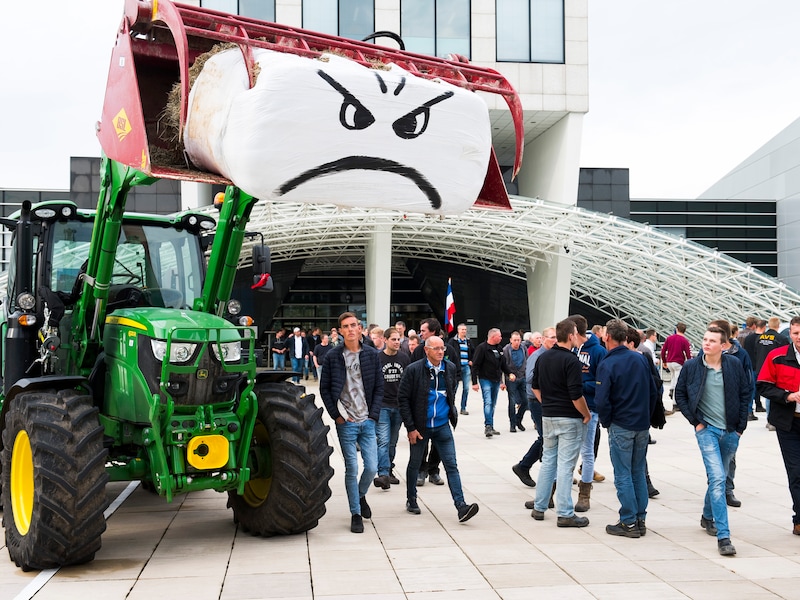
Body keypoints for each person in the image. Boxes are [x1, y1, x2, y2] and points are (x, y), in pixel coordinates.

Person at [675, 325, 751, 556]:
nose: (706, 343)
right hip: (706, 430)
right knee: (718, 477)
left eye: (712, 340)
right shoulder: (691, 366)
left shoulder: (734, 365)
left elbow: (746, 393)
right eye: (705, 339)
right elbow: (680, 394)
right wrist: (696, 423)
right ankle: (724, 536)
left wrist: (739, 429)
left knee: (718, 477)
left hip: (730, 431)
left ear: (723, 345)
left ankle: (708, 516)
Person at [398, 335, 479, 522]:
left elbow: (450, 392)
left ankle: (461, 506)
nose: (441, 352)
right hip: (420, 427)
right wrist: (410, 427)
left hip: (442, 426)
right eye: (436, 348)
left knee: (452, 465)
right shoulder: (413, 370)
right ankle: (411, 499)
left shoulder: (449, 368)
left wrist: (451, 413)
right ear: (426, 350)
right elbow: (403, 399)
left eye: (443, 348)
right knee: (415, 463)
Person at [320, 312, 384, 534]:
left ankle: (361, 494)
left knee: (373, 467)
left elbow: (379, 387)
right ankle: (355, 513)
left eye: (353, 325)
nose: (350, 329)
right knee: (352, 468)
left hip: (367, 420)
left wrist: (373, 415)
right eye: (345, 326)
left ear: (360, 328)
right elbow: (325, 389)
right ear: (340, 330)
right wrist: (336, 416)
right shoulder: (332, 356)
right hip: (345, 421)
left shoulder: (372, 355)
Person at [595, 319, 658, 538]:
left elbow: (602, 399)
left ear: (607, 337)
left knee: (623, 474)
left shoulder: (607, 363)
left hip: (621, 424)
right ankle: (640, 519)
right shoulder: (639, 359)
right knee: (638, 472)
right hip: (641, 425)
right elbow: (653, 390)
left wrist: (607, 421)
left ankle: (629, 521)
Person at [529, 319, 591, 527]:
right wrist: (586, 413)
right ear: (571, 336)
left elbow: (535, 386)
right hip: (569, 417)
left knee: (548, 461)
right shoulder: (572, 361)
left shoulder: (543, 357)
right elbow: (575, 394)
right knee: (565, 465)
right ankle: (565, 512)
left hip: (548, 416)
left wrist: (547, 402)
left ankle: (540, 506)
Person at [756, 316, 800, 536]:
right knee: (796, 472)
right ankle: (799, 518)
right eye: (796, 333)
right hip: (789, 424)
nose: (799, 338)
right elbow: (763, 386)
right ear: (789, 334)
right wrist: (788, 396)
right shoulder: (777, 356)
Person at [571, 313, 607, 512]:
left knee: (587, 450)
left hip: (590, 408)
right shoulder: (572, 348)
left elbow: (601, 382)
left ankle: (585, 493)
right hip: (569, 408)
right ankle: (554, 490)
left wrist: (579, 386)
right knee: (566, 452)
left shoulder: (598, 352)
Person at [513, 327, 557, 490]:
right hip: (537, 400)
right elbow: (530, 377)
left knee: (545, 437)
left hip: (545, 400)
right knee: (545, 437)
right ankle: (524, 466)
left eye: (556, 338)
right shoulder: (537, 356)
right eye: (551, 337)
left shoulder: (550, 355)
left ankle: (525, 466)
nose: (554, 340)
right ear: (543, 339)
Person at [373, 327, 410, 489]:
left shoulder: (404, 358)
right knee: (383, 440)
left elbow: (409, 381)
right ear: (385, 340)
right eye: (393, 339)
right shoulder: (377, 358)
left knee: (392, 442)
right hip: (382, 406)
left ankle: (388, 469)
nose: (396, 342)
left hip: (399, 406)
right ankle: (383, 473)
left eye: (398, 339)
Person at [472, 328, 515, 438]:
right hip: (485, 379)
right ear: (492, 337)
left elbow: (503, 364)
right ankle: (488, 426)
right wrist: (474, 382)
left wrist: (509, 373)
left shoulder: (499, 349)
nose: (501, 338)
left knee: (493, 404)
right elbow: (475, 365)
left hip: (496, 379)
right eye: (499, 336)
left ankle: (491, 424)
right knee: (488, 402)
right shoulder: (482, 348)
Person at [660, 322, 692, 411]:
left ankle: (671, 389)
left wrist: (664, 361)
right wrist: (689, 363)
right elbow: (688, 354)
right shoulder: (685, 340)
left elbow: (663, 350)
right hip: (678, 362)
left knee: (673, 377)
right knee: (678, 381)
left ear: (677, 329)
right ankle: (675, 403)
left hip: (670, 361)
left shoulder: (669, 338)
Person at [503, 331, 529, 432]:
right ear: (510, 340)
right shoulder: (506, 350)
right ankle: (512, 424)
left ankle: (518, 419)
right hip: (511, 379)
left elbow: (527, 361)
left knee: (526, 401)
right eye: (515, 340)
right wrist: (503, 380)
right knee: (512, 401)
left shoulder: (523, 348)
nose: (517, 342)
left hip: (522, 377)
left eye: (518, 340)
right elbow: (503, 366)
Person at [447, 323, 474, 415]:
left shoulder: (469, 342)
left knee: (466, 388)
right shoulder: (452, 341)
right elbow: (449, 353)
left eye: (465, 330)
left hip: (466, 367)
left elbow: (473, 352)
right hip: (455, 368)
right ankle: (452, 406)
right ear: (458, 330)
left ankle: (463, 407)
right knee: (454, 388)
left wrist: (471, 360)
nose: (464, 331)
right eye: (462, 330)